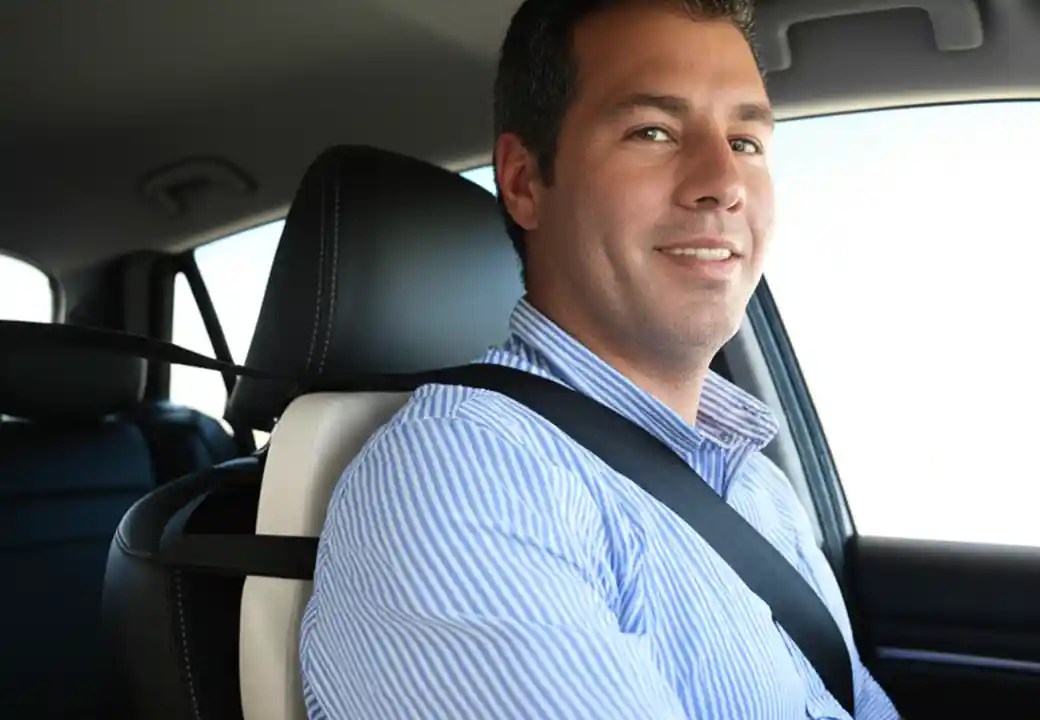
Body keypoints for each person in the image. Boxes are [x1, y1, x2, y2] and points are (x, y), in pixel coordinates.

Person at [300, 1, 899, 718]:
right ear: (524, 182)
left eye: (746, 141)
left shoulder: (755, 489)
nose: (724, 181)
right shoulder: (469, 477)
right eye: (653, 131)